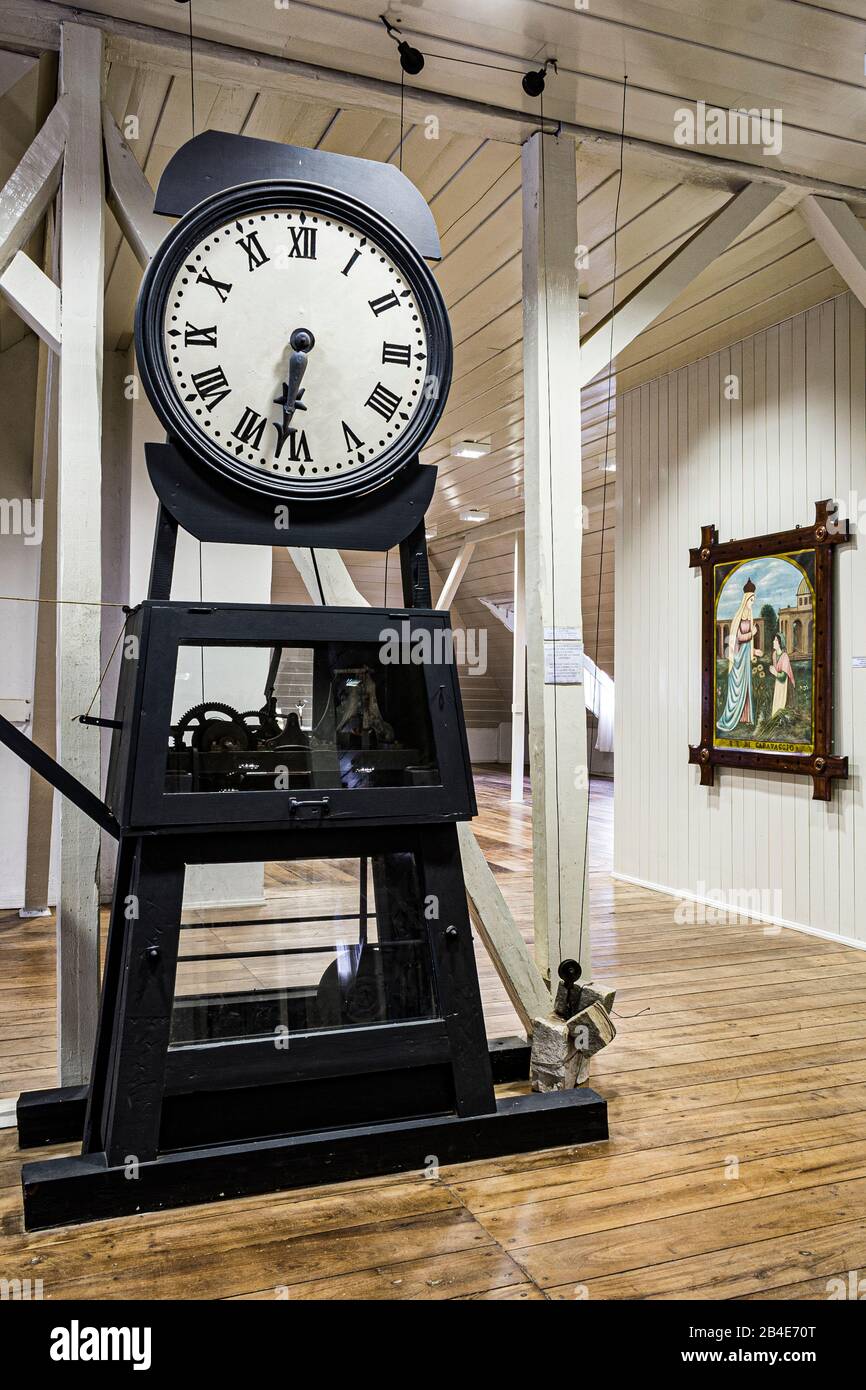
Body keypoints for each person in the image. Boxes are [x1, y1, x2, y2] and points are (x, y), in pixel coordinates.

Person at [717, 578, 763, 733]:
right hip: (738, 658)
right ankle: (731, 718)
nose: (753, 602)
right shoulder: (739, 617)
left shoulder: (750, 616)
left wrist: (754, 651)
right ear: (746, 599)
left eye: (754, 599)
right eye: (751, 599)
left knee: (746, 685)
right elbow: (738, 638)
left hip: (745, 657)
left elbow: (748, 643)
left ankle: (745, 717)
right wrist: (752, 633)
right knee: (738, 687)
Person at [769, 631, 794, 716]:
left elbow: (783, 677)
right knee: (776, 700)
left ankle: (780, 717)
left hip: (784, 683)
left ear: (780, 643)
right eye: (774, 640)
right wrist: (774, 671)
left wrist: (774, 672)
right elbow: (776, 670)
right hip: (777, 681)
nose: (773, 642)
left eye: (775, 640)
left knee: (781, 701)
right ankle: (775, 717)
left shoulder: (785, 657)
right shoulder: (774, 654)